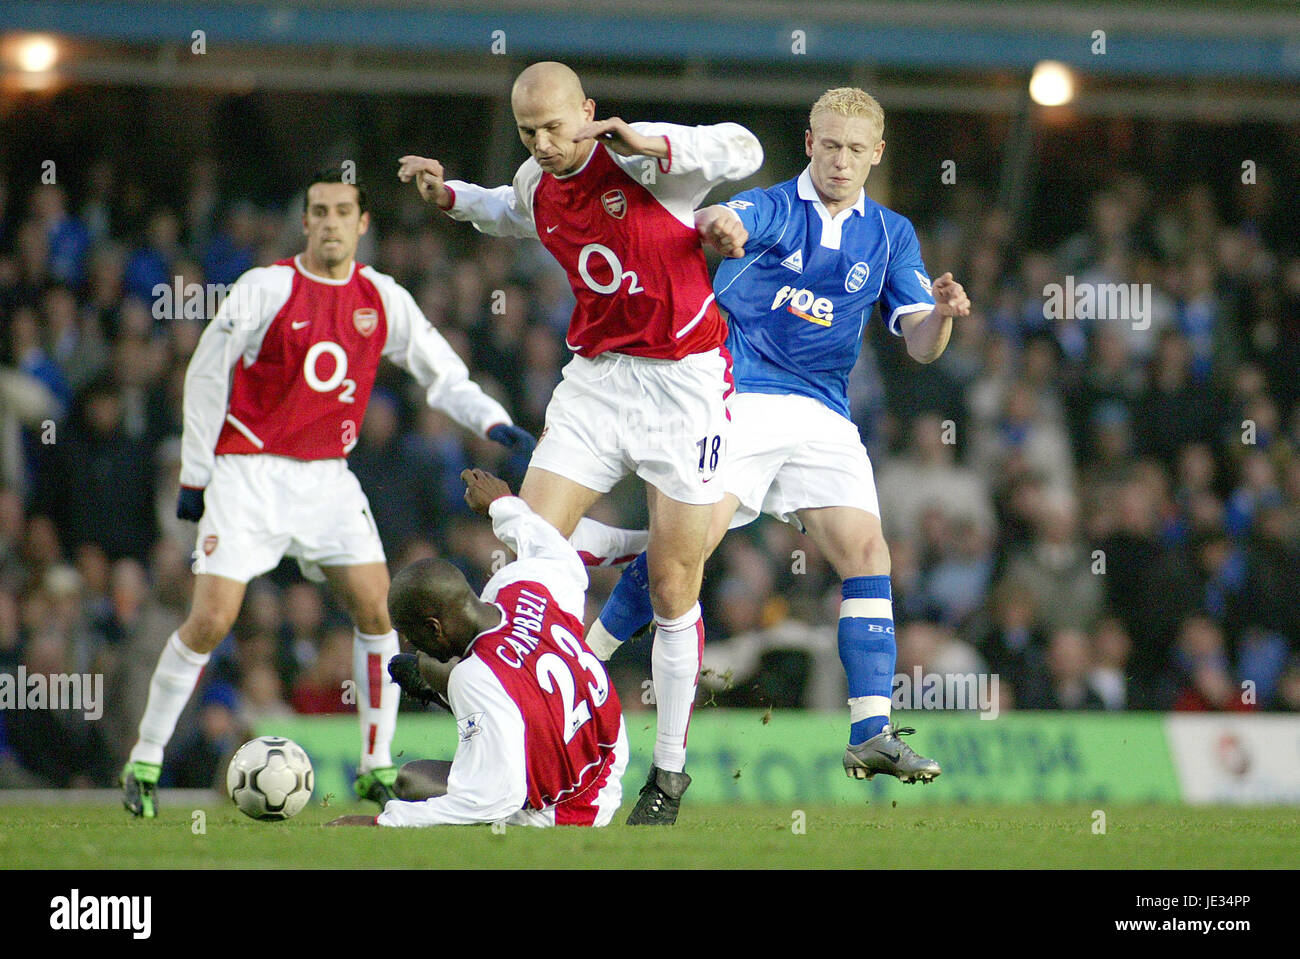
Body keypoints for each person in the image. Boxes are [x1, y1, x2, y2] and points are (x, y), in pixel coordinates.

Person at [397, 60, 764, 824]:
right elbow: (509, 208)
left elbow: (746, 149)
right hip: (597, 385)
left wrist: (651, 140)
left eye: (555, 127)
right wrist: (452, 196)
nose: (542, 143)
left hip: (683, 386)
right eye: (528, 132)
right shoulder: (540, 181)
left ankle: (666, 774)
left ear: (589, 111)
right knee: (528, 553)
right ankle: (492, 722)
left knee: (672, 586)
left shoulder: (645, 163)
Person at [121, 167, 537, 818]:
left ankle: (374, 764)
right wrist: (196, 473)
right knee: (211, 619)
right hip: (249, 471)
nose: (331, 222)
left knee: (378, 610)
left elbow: (440, 370)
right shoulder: (268, 287)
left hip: (327, 476)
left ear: (362, 223)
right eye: (319, 211)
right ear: (306, 221)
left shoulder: (382, 297)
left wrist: (489, 418)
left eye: (343, 211)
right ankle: (144, 758)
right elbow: (206, 368)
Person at [588, 88, 972, 784]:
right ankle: (588, 653)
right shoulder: (772, 204)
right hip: (739, 394)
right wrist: (721, 224)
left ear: (876, 154)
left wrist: (941, 315)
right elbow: (727, 216)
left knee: (867, 551)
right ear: (809, 144)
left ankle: (870, 731)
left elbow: (919, 343)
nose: (840, 160)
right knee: (688, 548)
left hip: (824, 413)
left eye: (856, 149)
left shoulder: (890, 235)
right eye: (829, 145)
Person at [327, 468, 626, 828]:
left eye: (411, 633)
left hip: (567, 809)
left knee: (410, 780)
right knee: (441, 676)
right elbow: (554, 550)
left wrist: (386, 822)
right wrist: (502, 506)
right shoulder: (521, 585)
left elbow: (498, 798)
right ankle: (441, 693)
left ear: (434, 627)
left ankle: (442, 697)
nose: (409, 642)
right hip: (607, 763)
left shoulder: (475, 677)